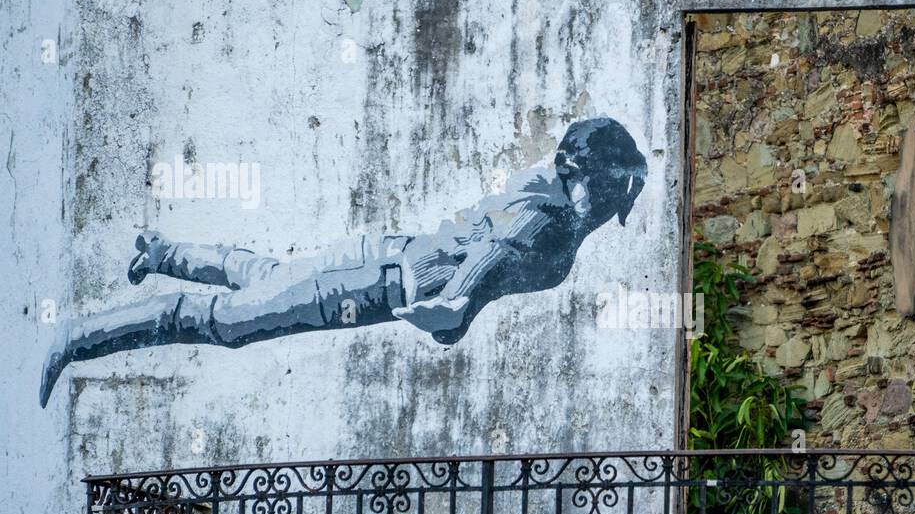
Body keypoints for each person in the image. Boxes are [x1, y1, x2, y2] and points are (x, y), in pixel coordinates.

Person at [39, 117, 647, 407]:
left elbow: (492, 254)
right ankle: (80, 336)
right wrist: (456, 307)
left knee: (263, 278)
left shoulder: (552, 200)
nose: (614, 206)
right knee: (225, 322)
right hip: (368, 283)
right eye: (615, 190)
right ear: (583, 177)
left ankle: (163, 252)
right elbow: (495, 252)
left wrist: (459, 305)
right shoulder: (549, 219)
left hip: (376, 264)